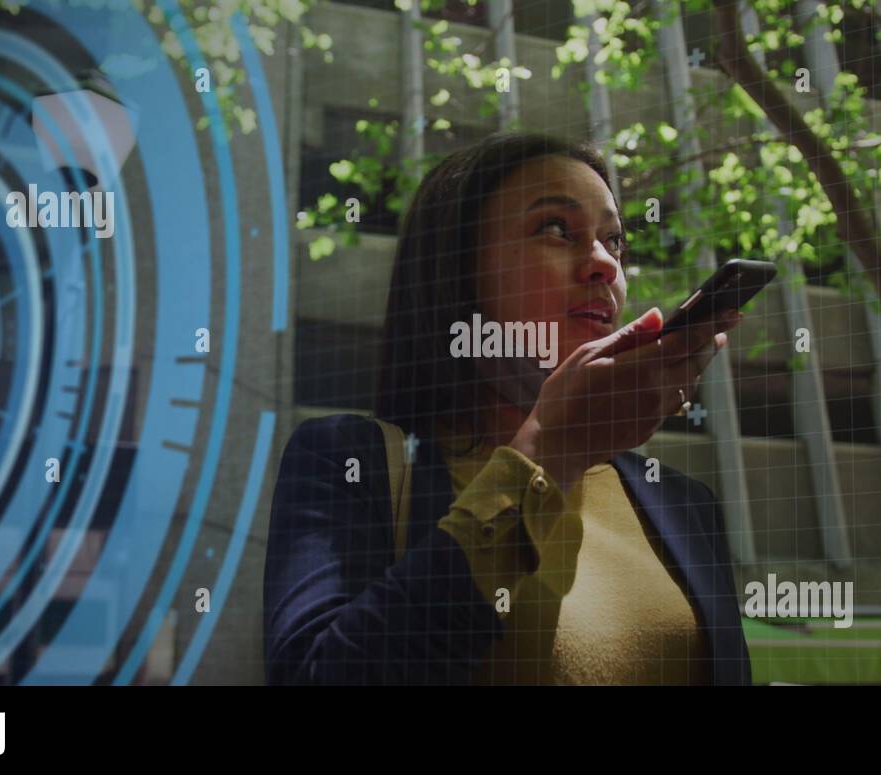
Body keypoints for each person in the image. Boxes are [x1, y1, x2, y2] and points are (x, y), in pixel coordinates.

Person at [264, 132, 751, 685]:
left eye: (614, 241)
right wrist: (551, 450)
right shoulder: (347, 462)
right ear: (459, 271)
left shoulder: (685, 503)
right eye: (555, 229)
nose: (603, 265)